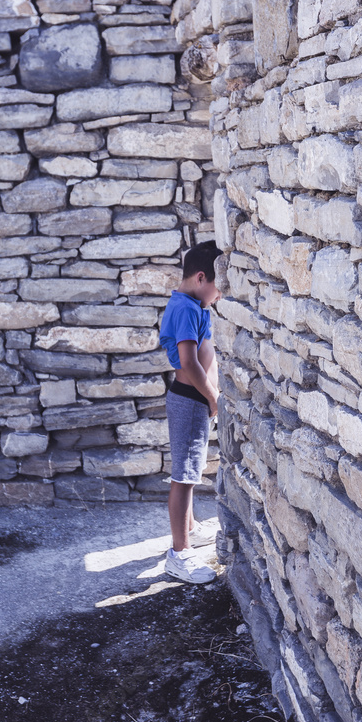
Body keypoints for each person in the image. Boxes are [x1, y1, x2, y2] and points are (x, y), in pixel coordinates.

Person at [159, 240, 223, 584]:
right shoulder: (184, 308)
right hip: (190, 398)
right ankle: (179, 553)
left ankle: (191, 527)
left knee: (193, 468)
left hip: (196, 399)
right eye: (218, 287)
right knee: (184, 476)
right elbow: (188, 362)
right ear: (201, 277)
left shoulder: (195, 304)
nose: (220, 295)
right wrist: (213, 398)